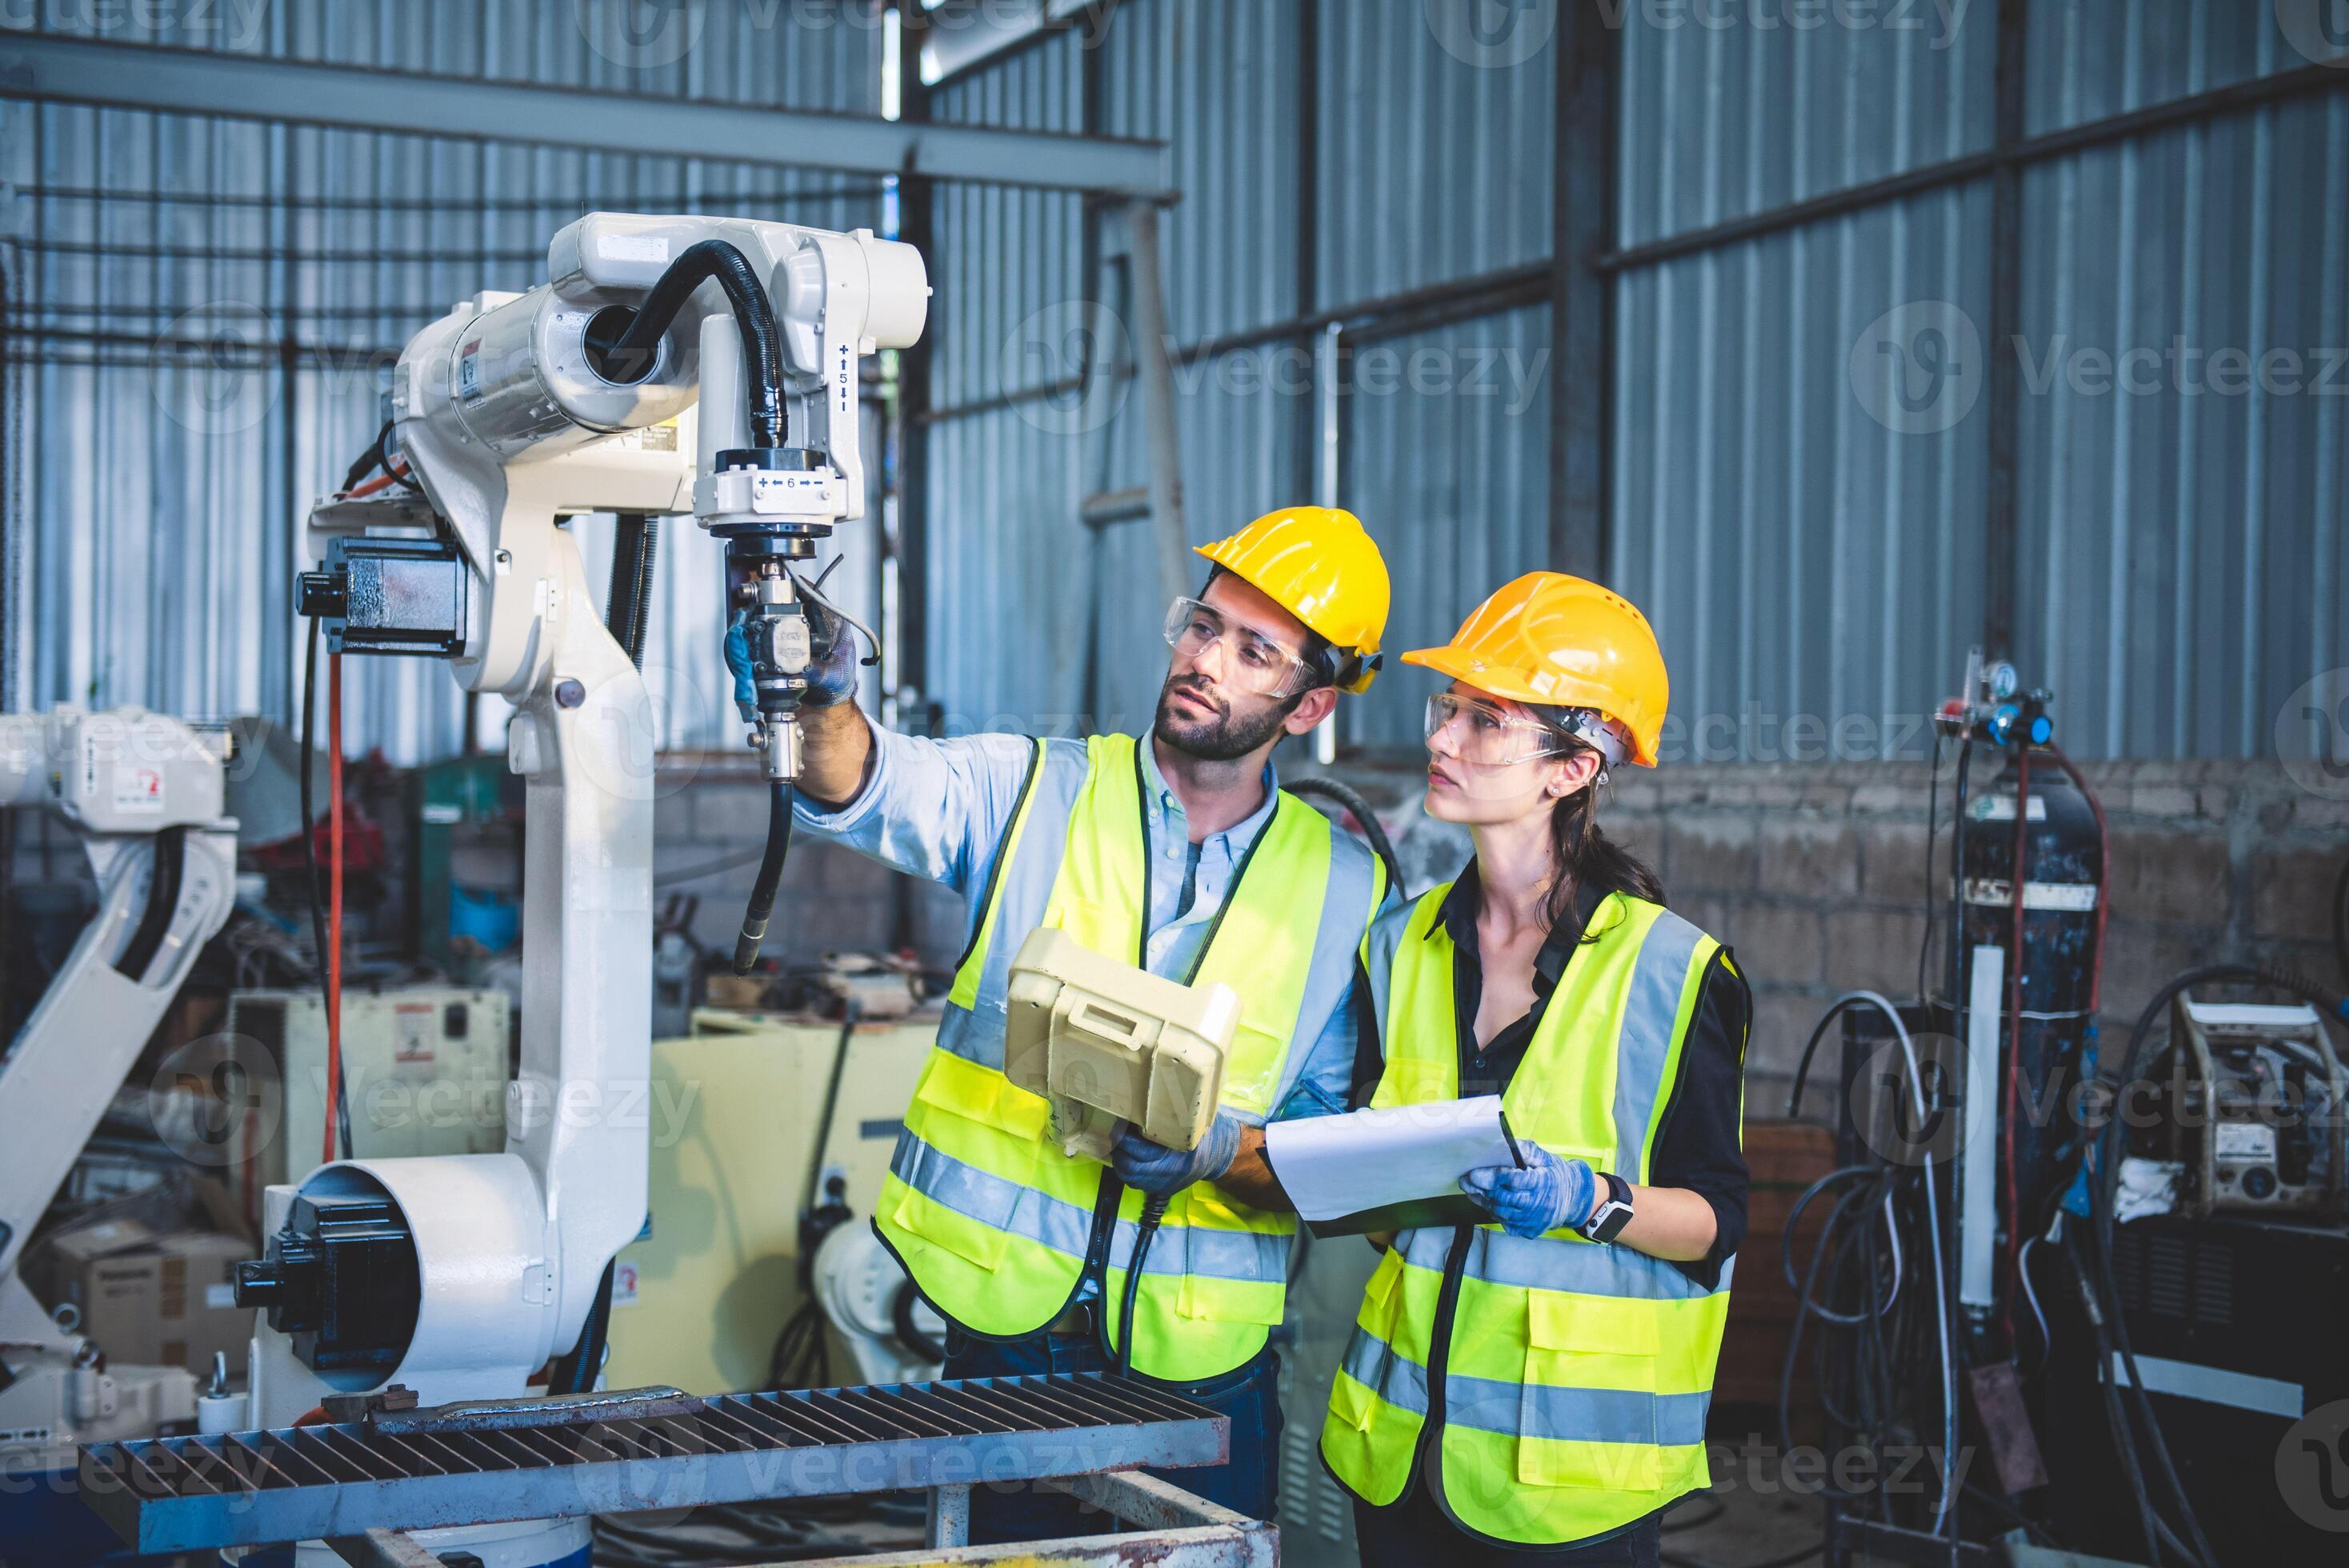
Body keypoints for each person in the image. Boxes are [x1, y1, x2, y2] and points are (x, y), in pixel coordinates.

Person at [734, 506, 1394, 1542]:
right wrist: (820, 696)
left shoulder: (1349, 888)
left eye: (1252, 650)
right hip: (1007, 1328)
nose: (1203, 658)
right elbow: (863, 778)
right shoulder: (1034, 789)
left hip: (1203, 1356)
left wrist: (1219, 1153)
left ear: (1308, 706)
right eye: (1203, 624)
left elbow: (1332, 1154)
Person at [1318, 572, 1750, 1567]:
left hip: (1570, 1483)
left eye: (1485, 721)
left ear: (1570, 767)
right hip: (1397, 1448)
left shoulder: (1673, 974)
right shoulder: (1400, 943)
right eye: (1446, 710)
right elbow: (1382, 1195)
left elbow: (1716, 1225)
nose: (1441, 740)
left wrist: (1585, 1198)